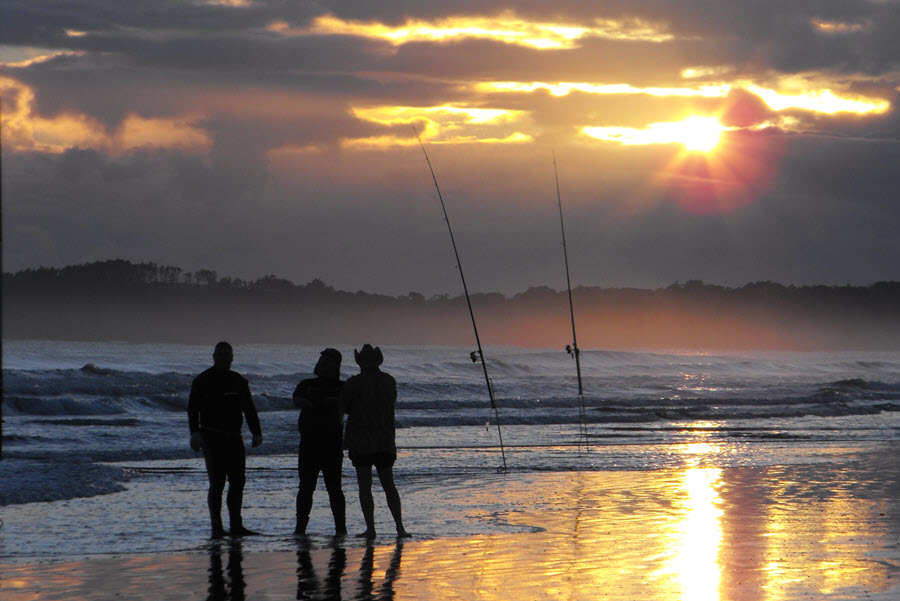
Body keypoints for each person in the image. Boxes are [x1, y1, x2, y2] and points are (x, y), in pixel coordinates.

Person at [188, 341, 263, 538]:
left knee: (238, 482)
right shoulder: (202, 380)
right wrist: (194, 433)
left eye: (226, 354)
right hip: (211, 437)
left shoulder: (238, 381)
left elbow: (249, 408)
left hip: (234, 438)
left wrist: (256, 432)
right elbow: (192, 409)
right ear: (213, 357)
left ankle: (236, 526)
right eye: (219, 354)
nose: (222, 357)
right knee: (217, 483)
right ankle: (216, 527)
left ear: (232, 358)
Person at [341, 344, 409, 538]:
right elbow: (391, 401)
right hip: (385, 440)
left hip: (361, 440)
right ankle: (400, 527)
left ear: (360, 362)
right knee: (389, 484)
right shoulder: (389, 380)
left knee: (365, 486)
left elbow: (344, 408)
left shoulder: (353, 383)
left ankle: (371, 528)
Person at [293, 348, 347, 536]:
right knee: (306, 488)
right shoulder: (306, 383)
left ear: (336, 365)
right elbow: (297, 400)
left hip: (332, 444)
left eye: (328, 361)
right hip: (309, 443)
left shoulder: (342, 387)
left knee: (334, 489)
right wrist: (323, 401)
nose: (323, 364)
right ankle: (300, 528)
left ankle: (341, 529)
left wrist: (322, 400)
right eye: (322, 360)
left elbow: (347, 405)